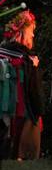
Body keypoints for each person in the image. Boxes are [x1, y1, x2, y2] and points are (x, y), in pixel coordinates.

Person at [0, 10, 43, 160]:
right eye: (31, 31)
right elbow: (34, 95)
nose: (32, 36)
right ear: (22, 33)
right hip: (20, 113)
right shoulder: (27, 61)